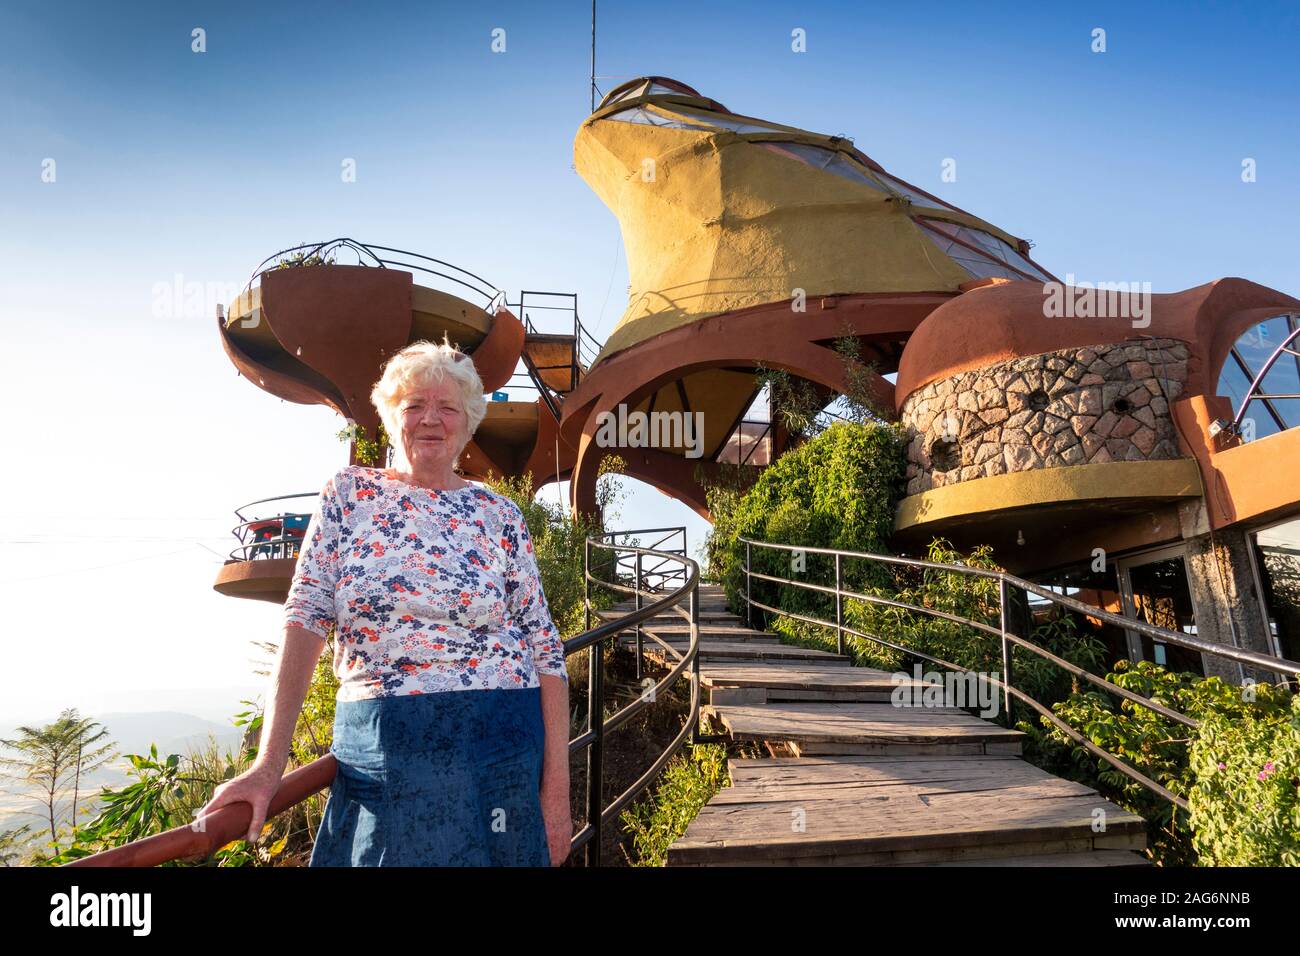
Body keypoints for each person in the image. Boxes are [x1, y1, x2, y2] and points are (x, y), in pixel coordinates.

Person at [198, 336, 572, 866]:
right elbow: (305, 616)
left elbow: (545, 647)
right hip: (386, 746)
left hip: (503, 743)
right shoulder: (349, 495)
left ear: (468, 423)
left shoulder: (500, 514)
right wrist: (268, 765)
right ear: (391, 416)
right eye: (413, 405)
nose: (430, 420)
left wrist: (556, 793)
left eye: (447, 407)